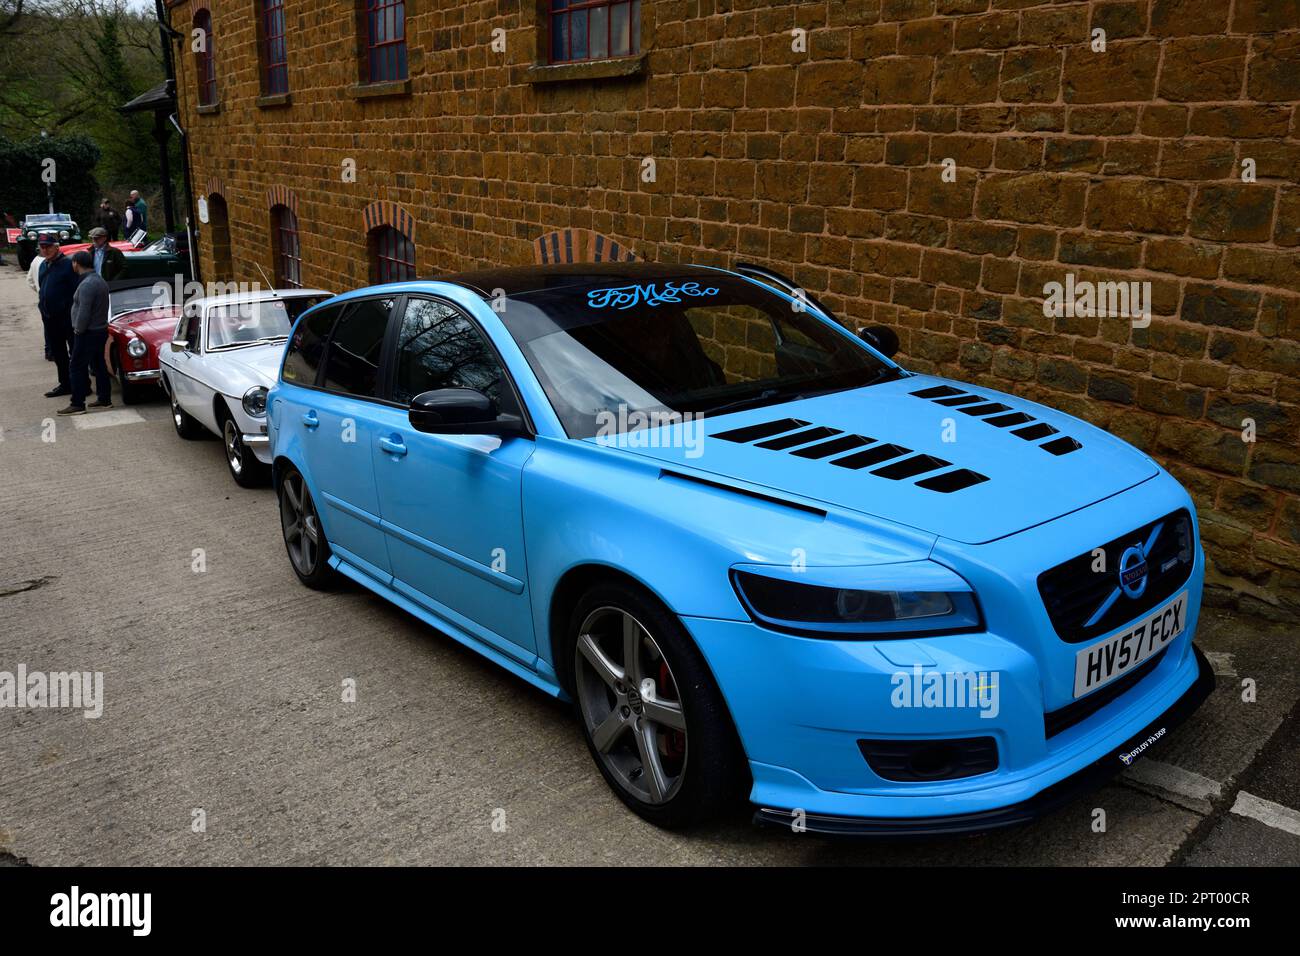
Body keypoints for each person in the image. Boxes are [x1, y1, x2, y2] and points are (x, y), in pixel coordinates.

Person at [60, 251, 113, 415]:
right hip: (99, 330)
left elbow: (84, 312)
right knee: (99, 365)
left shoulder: (87, 284)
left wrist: (78, 330)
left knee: (76, 366)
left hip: (88, 332)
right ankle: (104, 399)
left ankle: (77, 403)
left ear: (76, 263)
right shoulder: (99, 280)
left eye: (73, 263)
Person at [37, 235, 78, 395]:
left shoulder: (68, 265)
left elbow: (76, 290)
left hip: (67, 317)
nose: (45, 250)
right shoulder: (43, 265)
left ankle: (82, 384)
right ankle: (65, 384)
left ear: (57, 247)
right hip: (49, 317)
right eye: (42, 247)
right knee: (58, 353)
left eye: (48, 246)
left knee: (74, 352)